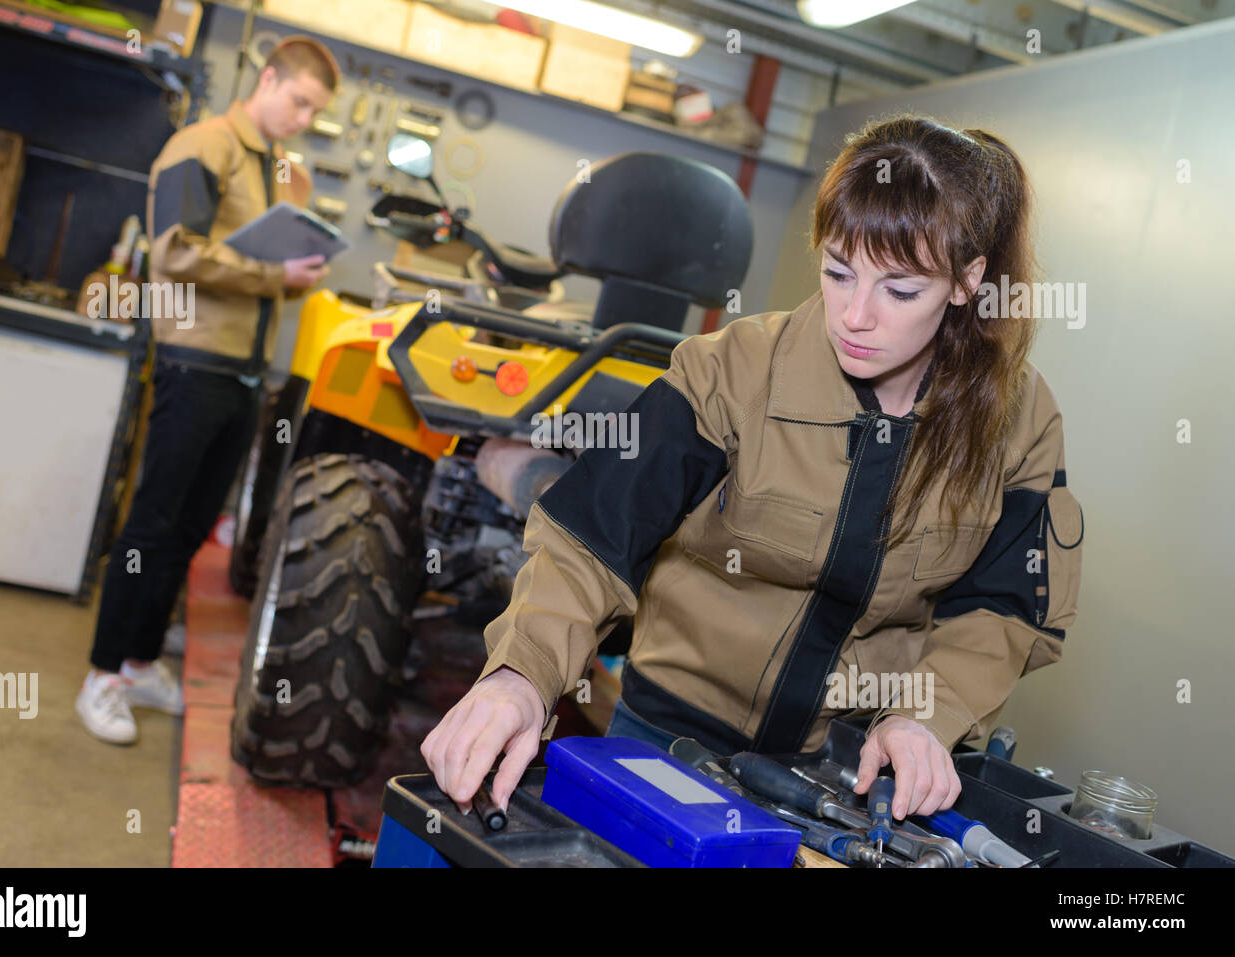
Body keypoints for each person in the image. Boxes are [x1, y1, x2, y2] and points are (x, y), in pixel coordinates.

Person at [422, 114, 1086, 824]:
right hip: (667, 739)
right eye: (837, 272)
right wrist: (522, 674)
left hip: (851, 770)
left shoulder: (1019, 420)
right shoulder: (729, 371)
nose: (854, 315)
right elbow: (593, 538)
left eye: (899, 290)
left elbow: (1004, 604)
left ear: (966, 281)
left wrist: (929, 716)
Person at [75, 36, 340, 744]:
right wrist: (271, 278)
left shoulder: (274, 166)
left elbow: (262, 249)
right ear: (270, 78)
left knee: (191, 529)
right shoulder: (205, 144)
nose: (304, 118)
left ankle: (138, 659)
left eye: (315, 110)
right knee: (154, 523)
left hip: (244, 372)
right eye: (300, 101)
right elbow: (173, 252)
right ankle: (100, 675)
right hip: (194, 363)